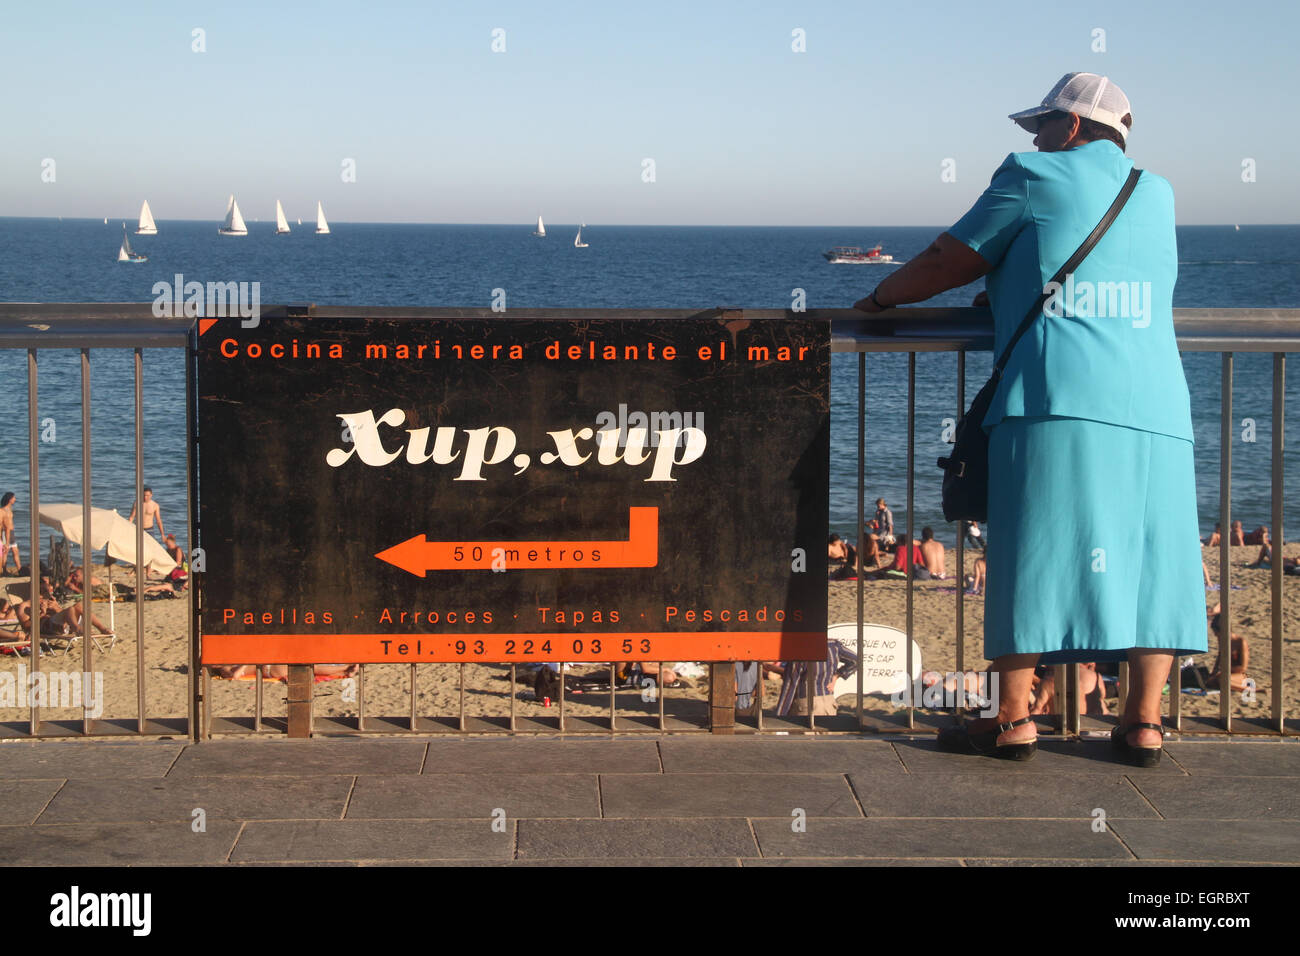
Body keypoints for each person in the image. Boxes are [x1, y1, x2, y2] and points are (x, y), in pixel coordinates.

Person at [856, 73, 1205, 765]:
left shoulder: (1031, 173)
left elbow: (946, 257)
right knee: (1154, 558)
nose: (1032, 138)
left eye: (1041, 124)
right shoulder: (1157, 192)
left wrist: (879, 298)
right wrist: (1012, 288)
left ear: (1070, 127)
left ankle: (1012, 718)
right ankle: (1142, 722)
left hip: (1057, 394)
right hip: (1157, 401)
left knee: (1031, 549)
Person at [0, 492, 20, 575]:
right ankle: (4, 570)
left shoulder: (10, 509)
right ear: (9, 499)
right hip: (6, 533)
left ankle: (20, 569)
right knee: (5, 552)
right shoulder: (2, 510)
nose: (15, 499)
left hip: (11, 532)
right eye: (13, 498)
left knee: (15, 551)